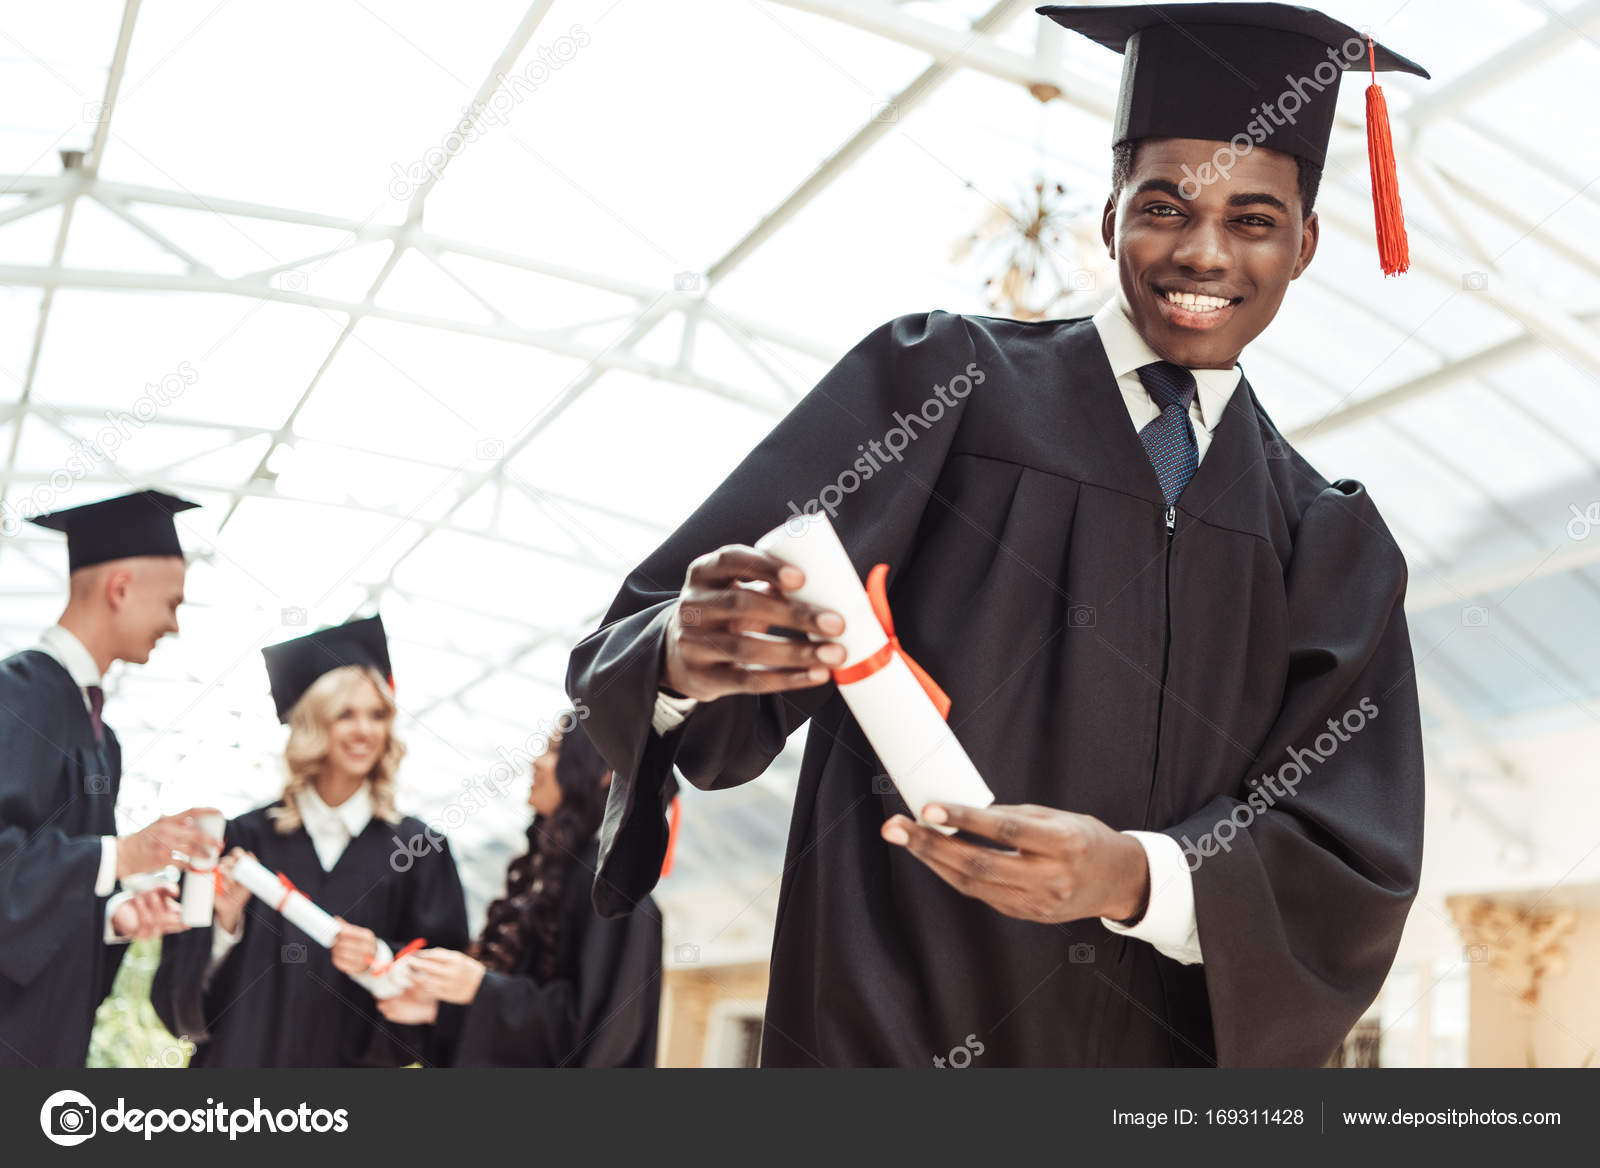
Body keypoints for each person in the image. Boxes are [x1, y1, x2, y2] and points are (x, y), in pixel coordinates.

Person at [566, 3, 1429, 1067]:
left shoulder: (1325, 541)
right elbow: (640, 639)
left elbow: (1349, 863)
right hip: (883, 1047)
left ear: (1303, 244)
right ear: (1109, 214)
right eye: (1164, 206)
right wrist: (688, 659)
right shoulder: (937, 389)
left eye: (1253, 220)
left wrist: (1129, 875)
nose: (1202, 253)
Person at [152, 615, 469, 1067]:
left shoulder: (420, 851)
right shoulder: (241, 842)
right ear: (312, 724)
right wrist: (224, 924)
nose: (365, 730)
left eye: (377, 714)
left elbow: (445, 988)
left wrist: (381, 958)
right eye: (346, 714)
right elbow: (178, 1005)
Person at [0, 489, 219, 1068]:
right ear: (120, 589)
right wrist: (121, 856)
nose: (173, 626)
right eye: (172, 603)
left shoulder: (104, 740)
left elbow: (36, 907)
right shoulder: (12, 698)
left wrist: (112, 915)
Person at [377, 717, 664, 1067]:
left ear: (607, 772)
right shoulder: (552, 877)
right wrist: (442, 1011)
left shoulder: (614, 891)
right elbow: (527, 1028)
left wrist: (482, 988)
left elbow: (598, 1036)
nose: (536, 761)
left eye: (555, 749)